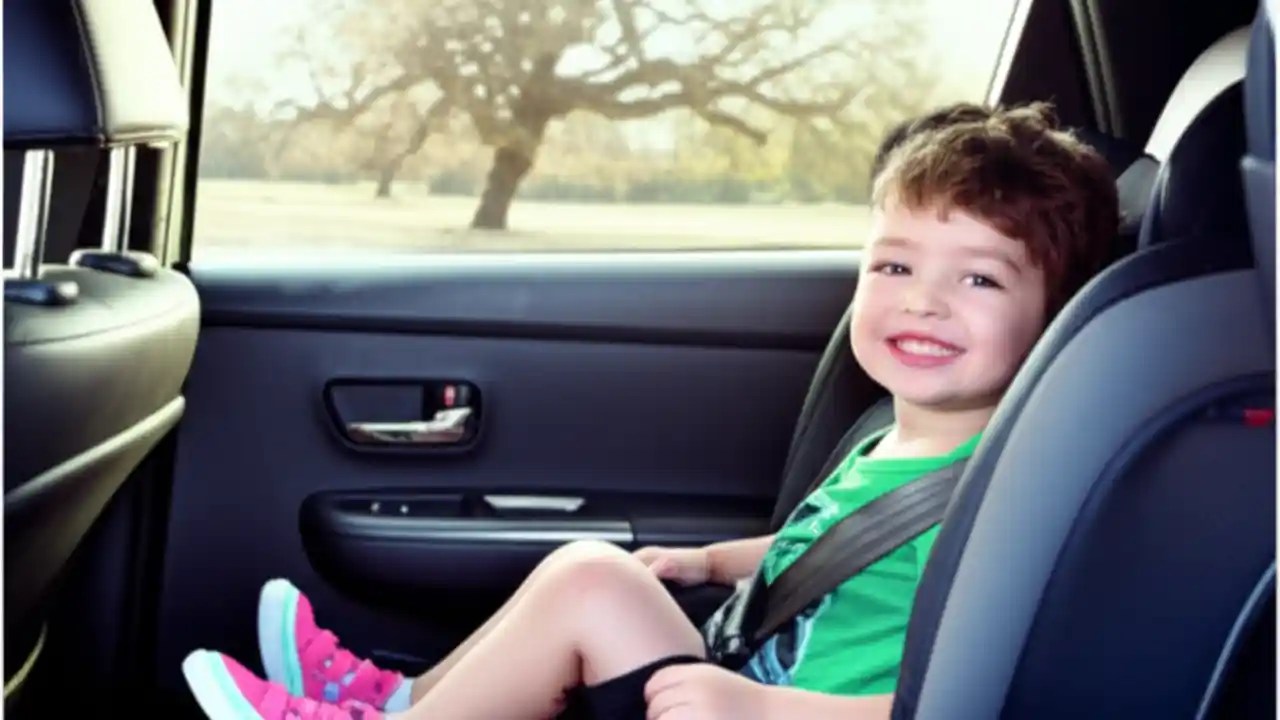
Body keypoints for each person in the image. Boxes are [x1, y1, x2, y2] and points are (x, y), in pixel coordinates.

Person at [181, 101, 1120, 720]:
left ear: (1058, 315)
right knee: (590, 568)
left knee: (595, 587)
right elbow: (819, 546)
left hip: (777, 714)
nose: (922, 300)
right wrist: (715, 560)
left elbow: (966, 697)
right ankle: (398, 702)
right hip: (744, 685)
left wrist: (756, 708)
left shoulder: (1000, 496)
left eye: (981, 279)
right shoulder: (893, 436)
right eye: (895, 265)